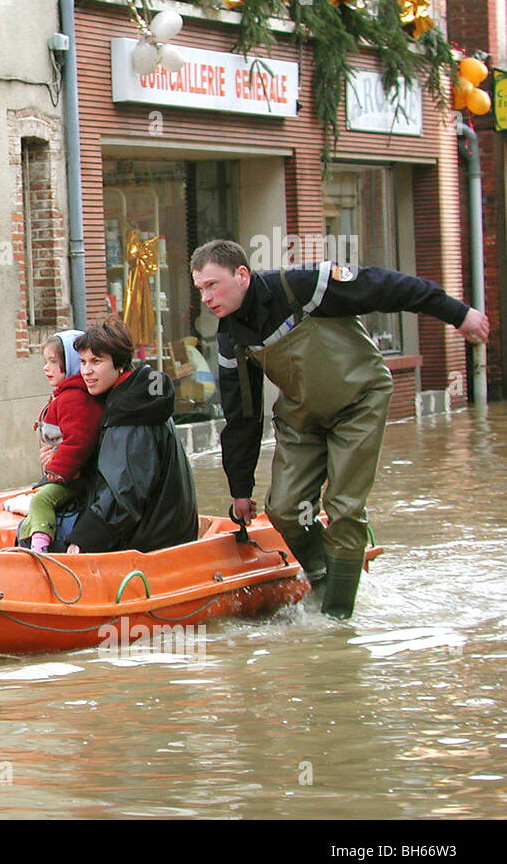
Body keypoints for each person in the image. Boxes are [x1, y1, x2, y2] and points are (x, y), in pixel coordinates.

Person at [190, 238, 491, 619]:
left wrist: (457, 313)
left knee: (345, 510)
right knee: (284, 509)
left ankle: (336, 621)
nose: (206, 297)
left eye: (213, 285)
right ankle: (324, 578)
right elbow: (242, 417)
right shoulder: (231, 338)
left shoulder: (303, 286)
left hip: (358, 402)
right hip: (302, 418)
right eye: (200, 288)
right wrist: (240, 490)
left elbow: (389, 287)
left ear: (242, 275)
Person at [62, 319, 198, 554]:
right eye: (83, 362)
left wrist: (83, 539)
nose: (86, 371)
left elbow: (124, 493)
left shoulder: (130, 414)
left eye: (96, 361)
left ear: (121, 363)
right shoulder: (140, 396)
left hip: (148, 542)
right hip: (168, 533)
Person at [19, 330, 105, 553]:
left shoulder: (74, 398)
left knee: (40, 501)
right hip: (68, 472)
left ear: (70, 363)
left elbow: (79, 440)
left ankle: (40, 547)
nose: (46, 368)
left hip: (73, 476)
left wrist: (56, 470)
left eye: (53, 362)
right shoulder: (66, 394)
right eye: (45, 362)